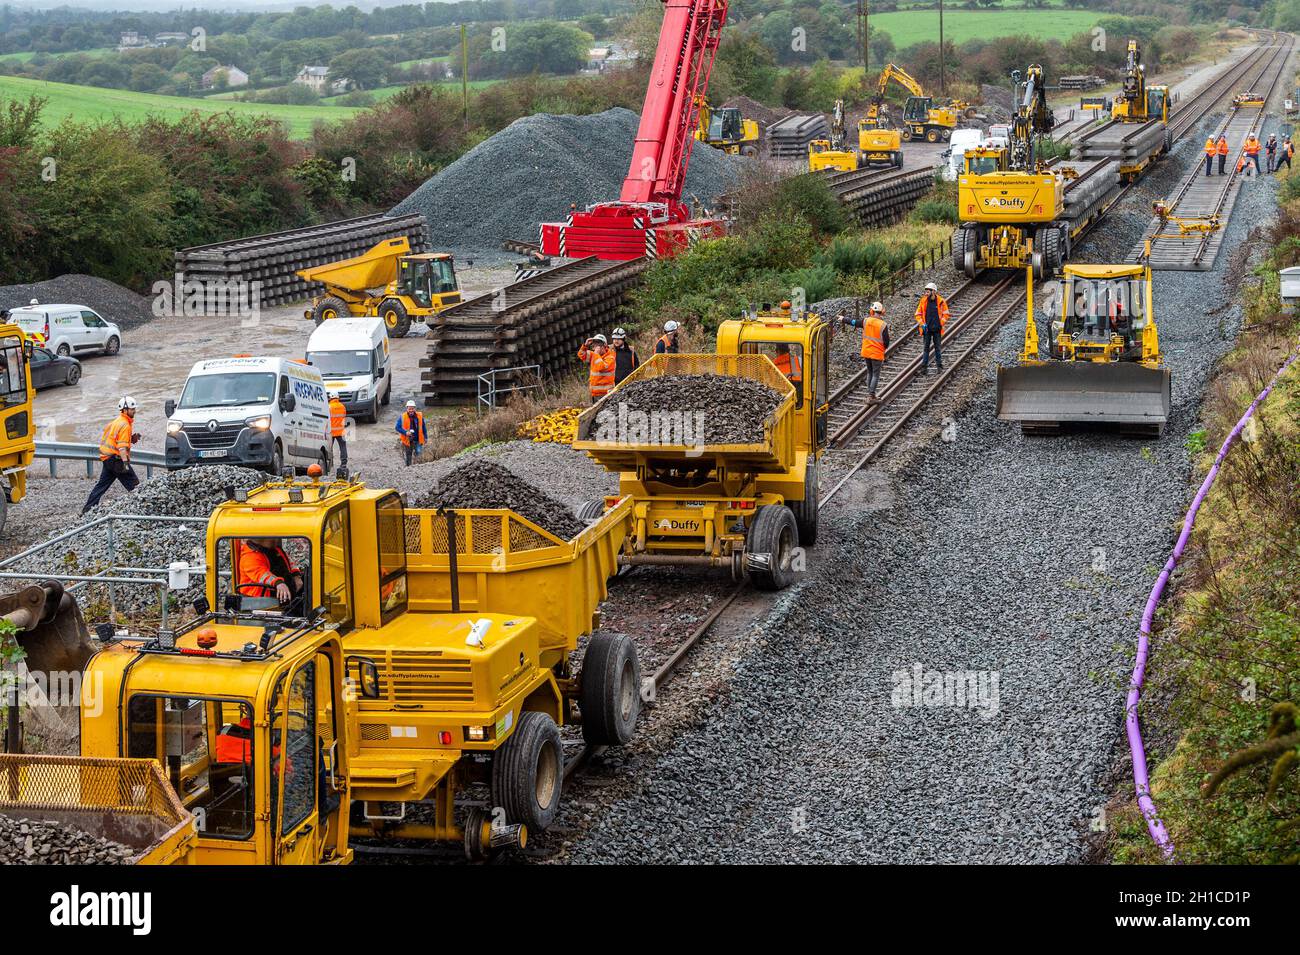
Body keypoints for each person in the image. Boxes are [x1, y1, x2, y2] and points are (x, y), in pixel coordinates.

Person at [82, 396, 141, 513]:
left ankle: (87, 510)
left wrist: (130, 438)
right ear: (125, 410)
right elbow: (121, 447)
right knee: (135, 486)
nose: (134, 411)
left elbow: (113, 439)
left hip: (107, 459)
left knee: (101, 486)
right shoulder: (125, 425)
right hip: (117, 460)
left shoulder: (116, 421)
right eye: (132, 409)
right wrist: (125, 463)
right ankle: (142, 509)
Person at [236, 538, 304, 611]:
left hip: (281, 598)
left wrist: (296, 575)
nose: (276, 540)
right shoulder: (249, 556)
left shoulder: (276, 550)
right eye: (274, 538)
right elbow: (261, 574)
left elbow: (289, 562)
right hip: (259, 602)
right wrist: (278, 583)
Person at [842, 302, 889, 400]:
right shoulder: (883, 325)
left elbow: (854, 322)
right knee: (875, 374)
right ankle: (871, 395)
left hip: (866, 352)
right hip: (877, 353)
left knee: (870, 372)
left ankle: (870, 393)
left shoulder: (866, 321)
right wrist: (883, 349)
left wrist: (843, 319)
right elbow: (886, 342)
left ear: (871, 311)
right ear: (881, 312)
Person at [914, 282, 949, 373]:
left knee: (937, 348)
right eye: (925, 291)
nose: (926, 293)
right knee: (926, 349)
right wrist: (922, 324)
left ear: (933, 291)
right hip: (927, 330)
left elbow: (946, 314)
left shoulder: (941, 301)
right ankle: (924, 368)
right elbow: (918, 314)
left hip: (937, 329)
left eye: (928, 291)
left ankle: (939, 367)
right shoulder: (923, 301)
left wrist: (940, 324)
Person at [577, 333, 616, 403]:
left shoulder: (610, 357)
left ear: (604, 346)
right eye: (594, 345)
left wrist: (596, 354)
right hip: (594, 394)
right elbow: (581, 355)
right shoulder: (594, 355)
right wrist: (585, 346)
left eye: (597, 345)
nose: (595, 348)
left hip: (606, 394)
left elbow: (601, 367)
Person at [395, 399, 426, 465]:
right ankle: (408, 469)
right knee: (408, 455)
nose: (411, 410)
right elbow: (397, 427)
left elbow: (423, 427)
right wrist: (405, 432)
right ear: (407, 409)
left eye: (412, 408)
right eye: (409, 409)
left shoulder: (420, 416)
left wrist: (425, 437)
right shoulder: (402, 417)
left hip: (418, 439)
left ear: (415, 408)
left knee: (419, 453)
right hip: (408, 440)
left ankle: (417, 466)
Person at [328, 394, 348, 471]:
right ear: (338, 397)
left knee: (329, 448)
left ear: (331, 397)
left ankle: (330, 464)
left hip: (331, 432)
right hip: (340, 431)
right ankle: (343, 464)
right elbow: (344, 416)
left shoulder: (329, 407)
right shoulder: (342, 406)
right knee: (343, 447)